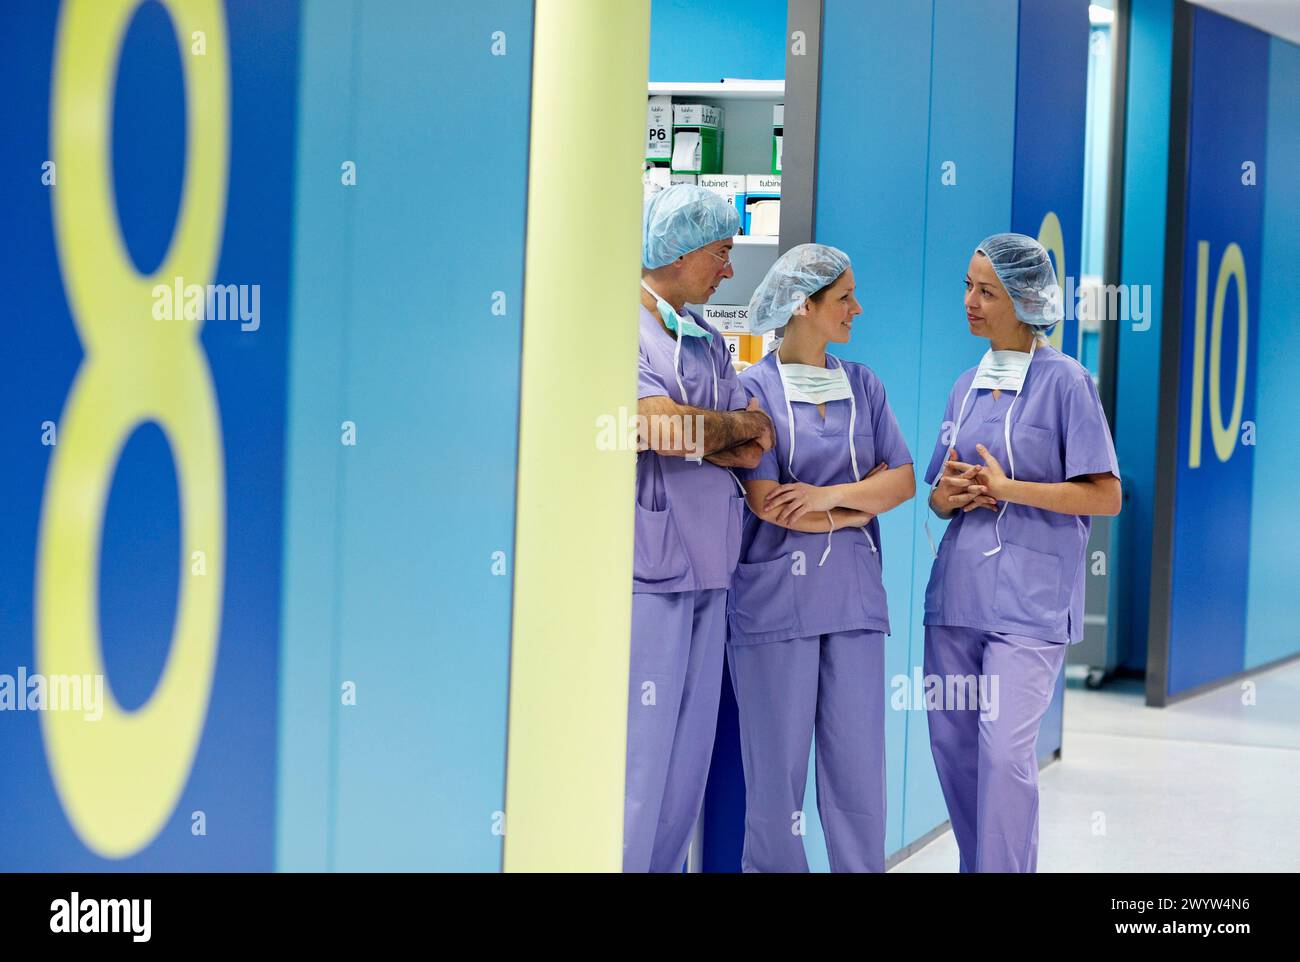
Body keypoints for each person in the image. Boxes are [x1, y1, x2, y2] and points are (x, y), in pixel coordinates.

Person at [922, 233, 1121, 873]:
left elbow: (1107, 495)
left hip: (1030, 606)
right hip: (957, 599)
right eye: (969, 286)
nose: (971, 302)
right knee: (954, 752)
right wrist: (951, 496)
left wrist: (1012, 490)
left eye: (988, 292)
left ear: (1025, 300)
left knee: (1005, 756)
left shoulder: (1068, 383)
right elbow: (937, 498)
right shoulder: (966, 386)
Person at [727, 243, 915, 872]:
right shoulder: (751, 389)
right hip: (777, 605)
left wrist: (831, 498)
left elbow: (905, 481)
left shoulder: (865, 385)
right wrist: (860, 506)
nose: (856, 308)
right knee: (777, 781)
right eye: (844, 298)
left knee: (859, 772)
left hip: (855, 602)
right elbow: (769, 503)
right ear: (804, 305)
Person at [626, 184, 776, 873]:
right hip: (649, 573)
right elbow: (652, 425)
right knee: (640, 762)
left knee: (685, 766)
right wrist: (711, 432)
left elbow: (755, 440)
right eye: (721, 253)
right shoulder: (624, 328)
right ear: (680, 251)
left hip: (711, 570)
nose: (728, 270)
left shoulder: (709, 341)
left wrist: (704, 433)